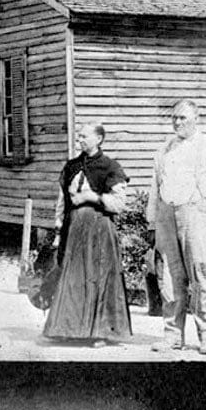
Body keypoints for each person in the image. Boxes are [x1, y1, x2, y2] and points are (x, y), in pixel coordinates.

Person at [145, 98, 206, 355]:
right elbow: (155, 187)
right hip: (166, 215)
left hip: (197, 213)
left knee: (200, 273)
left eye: (183, 117)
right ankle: (172, 335)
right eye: (174, 117)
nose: (177, 122)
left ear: (197, 119)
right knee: (169, 277)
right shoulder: (165, 149)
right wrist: (152, 220)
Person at [43, 122, 132, 346]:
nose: (80, 140)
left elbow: (119, 203)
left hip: (99, 230)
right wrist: (58, 224)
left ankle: (100, 332)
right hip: (74, 230)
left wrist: (92, 197)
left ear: (99, 139)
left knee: (99, 277)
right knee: (73, 277)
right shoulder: (72, 166)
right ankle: (69, 328)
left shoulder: (110, 167)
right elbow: (63, 199)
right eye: (79, 136)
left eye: (84, 136)